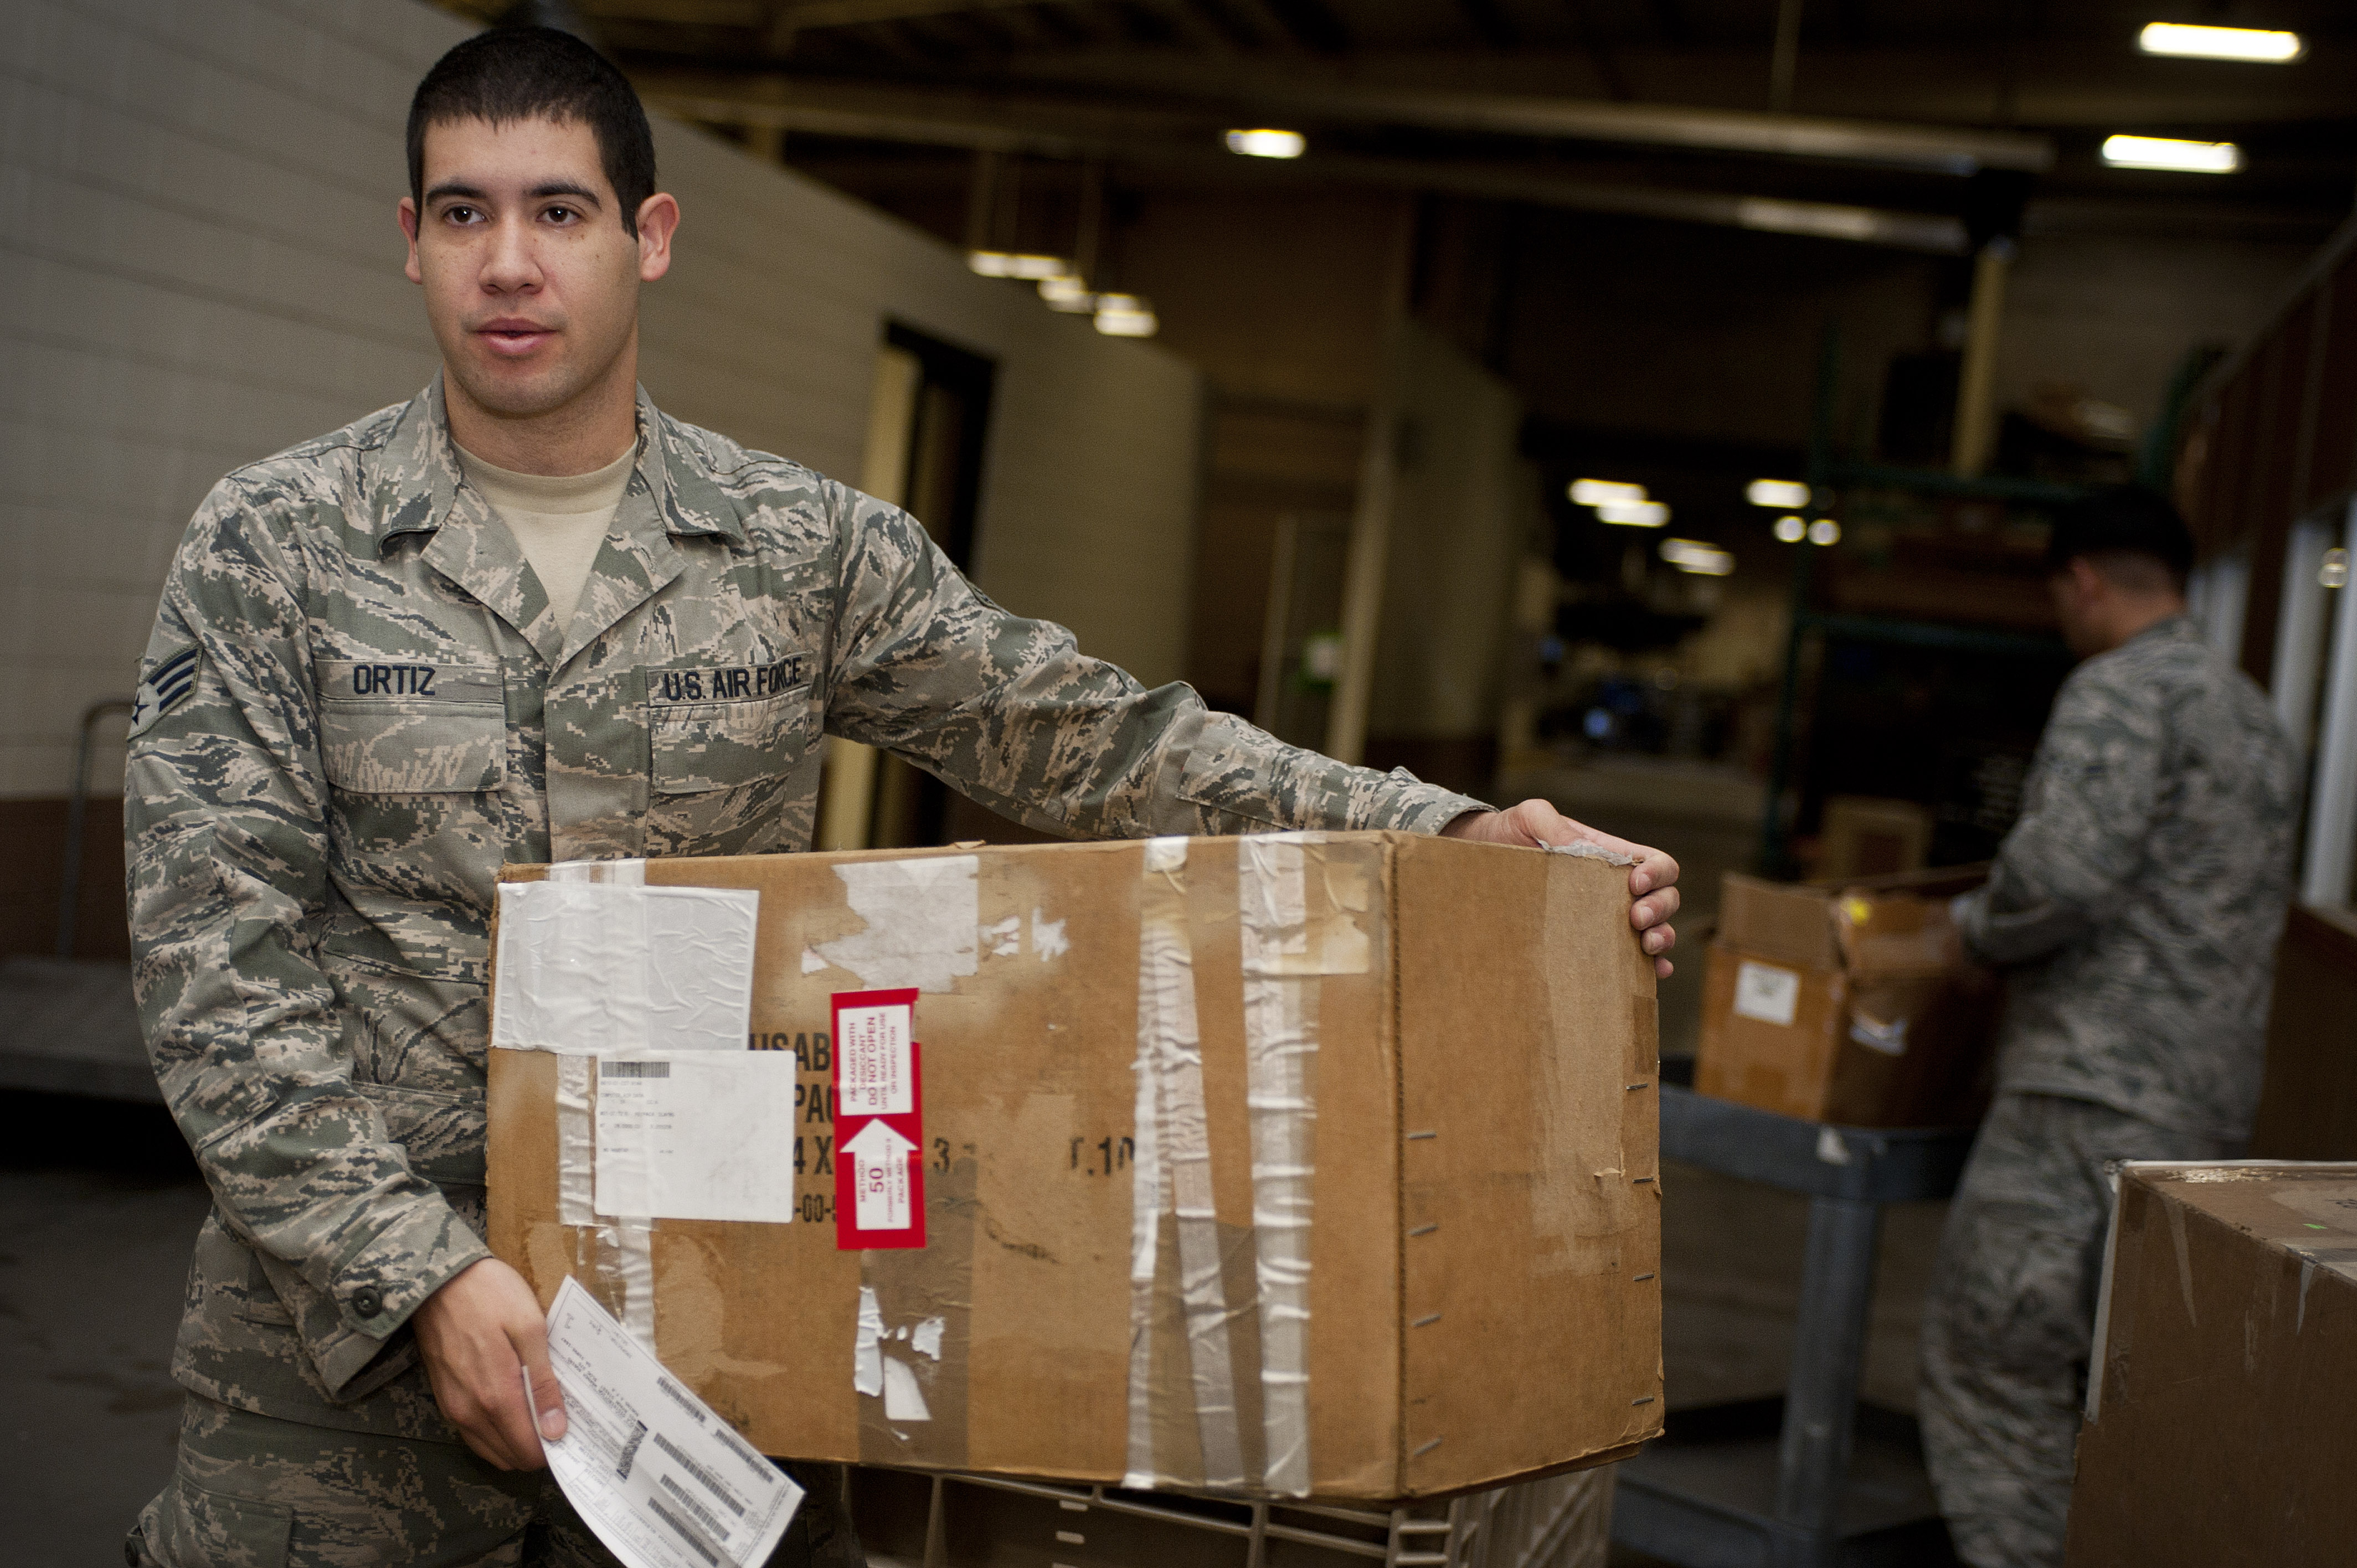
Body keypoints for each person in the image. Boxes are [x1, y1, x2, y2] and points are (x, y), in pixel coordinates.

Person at [121, 27, 1681, 1568]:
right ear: (410, 244)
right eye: (464, 213)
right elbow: (215, 967)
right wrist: (419, 1279)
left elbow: (1093, 739)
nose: (509, 263)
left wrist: (1451, 833)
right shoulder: (282, 548)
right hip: (341, 1374)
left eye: (560, 211)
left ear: (648, 238)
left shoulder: (799, 553)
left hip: (706, 1341)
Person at [1917, 485, 2298, 1568]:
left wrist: (1968, 935)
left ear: (2082, 579)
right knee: (2119, 1385)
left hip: (2085, 1097)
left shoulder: (2118, 692)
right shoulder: (2253, 715)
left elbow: (2060, 876)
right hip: (2203, 1112)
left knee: (1992, 1368)